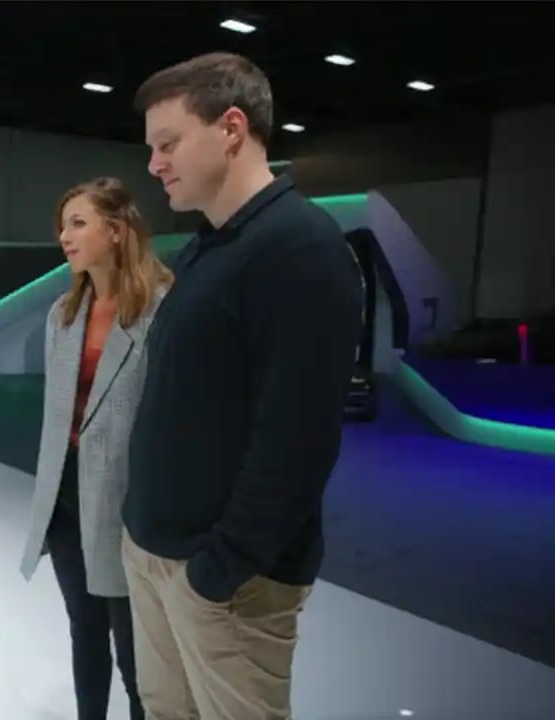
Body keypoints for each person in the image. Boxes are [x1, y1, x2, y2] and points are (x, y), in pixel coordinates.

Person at [120, 53, 364, 720]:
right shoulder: (209, 246)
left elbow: (299, 439)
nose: (155, 165)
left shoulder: (302, 249)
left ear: (231, 128)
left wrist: (218, 572)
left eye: (168, 144)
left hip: (227, 583)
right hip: (156, 553)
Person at [20, 177, 173, 720]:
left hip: (126, 506)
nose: (64, 236)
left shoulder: (162, 310)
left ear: (116, 230)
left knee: (136, 656)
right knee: (84, 631)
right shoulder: (62, 314)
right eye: (62, 226)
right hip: (65, 500)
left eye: (78, 223)